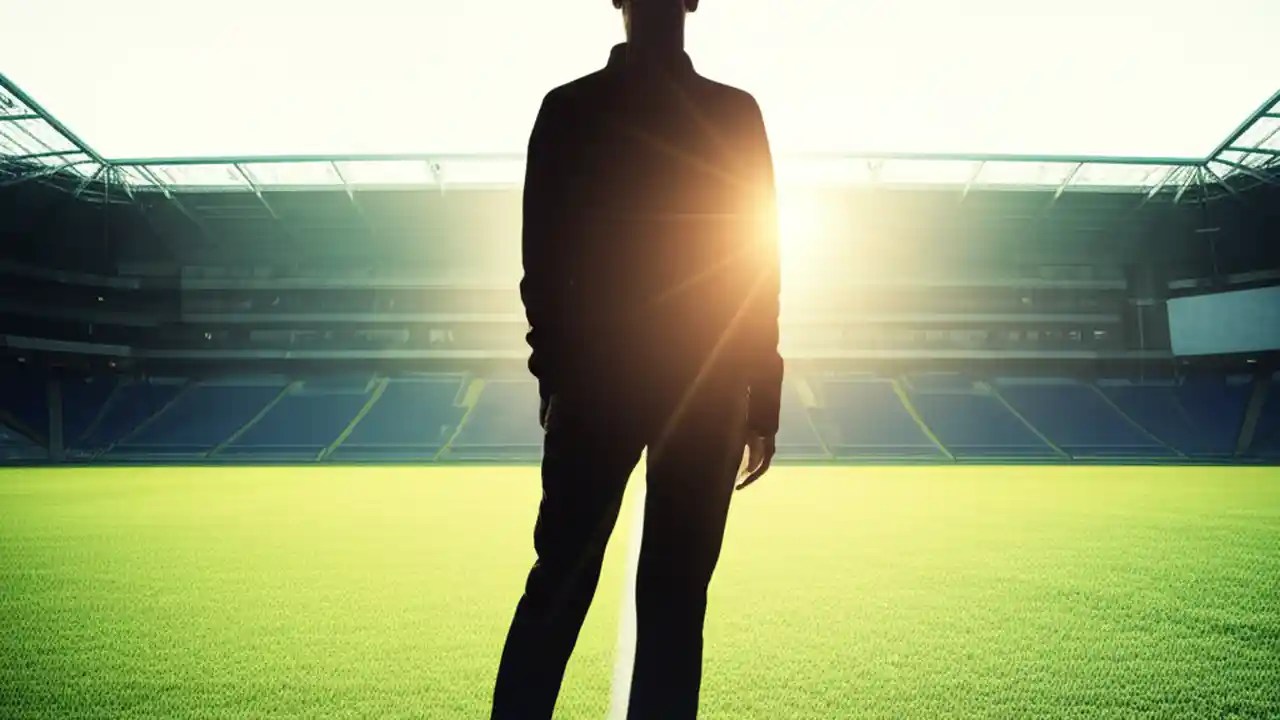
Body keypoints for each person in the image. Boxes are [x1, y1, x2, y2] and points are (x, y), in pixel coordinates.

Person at [491, 0, 782, 717]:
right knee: (674, 601)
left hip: (600, 386)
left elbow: (541, 265)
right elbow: (759, 263)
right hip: (705, 387)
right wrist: (761, 397)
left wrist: (556, 378)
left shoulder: (569, 109)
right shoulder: (735, 112)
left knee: (558, 584)